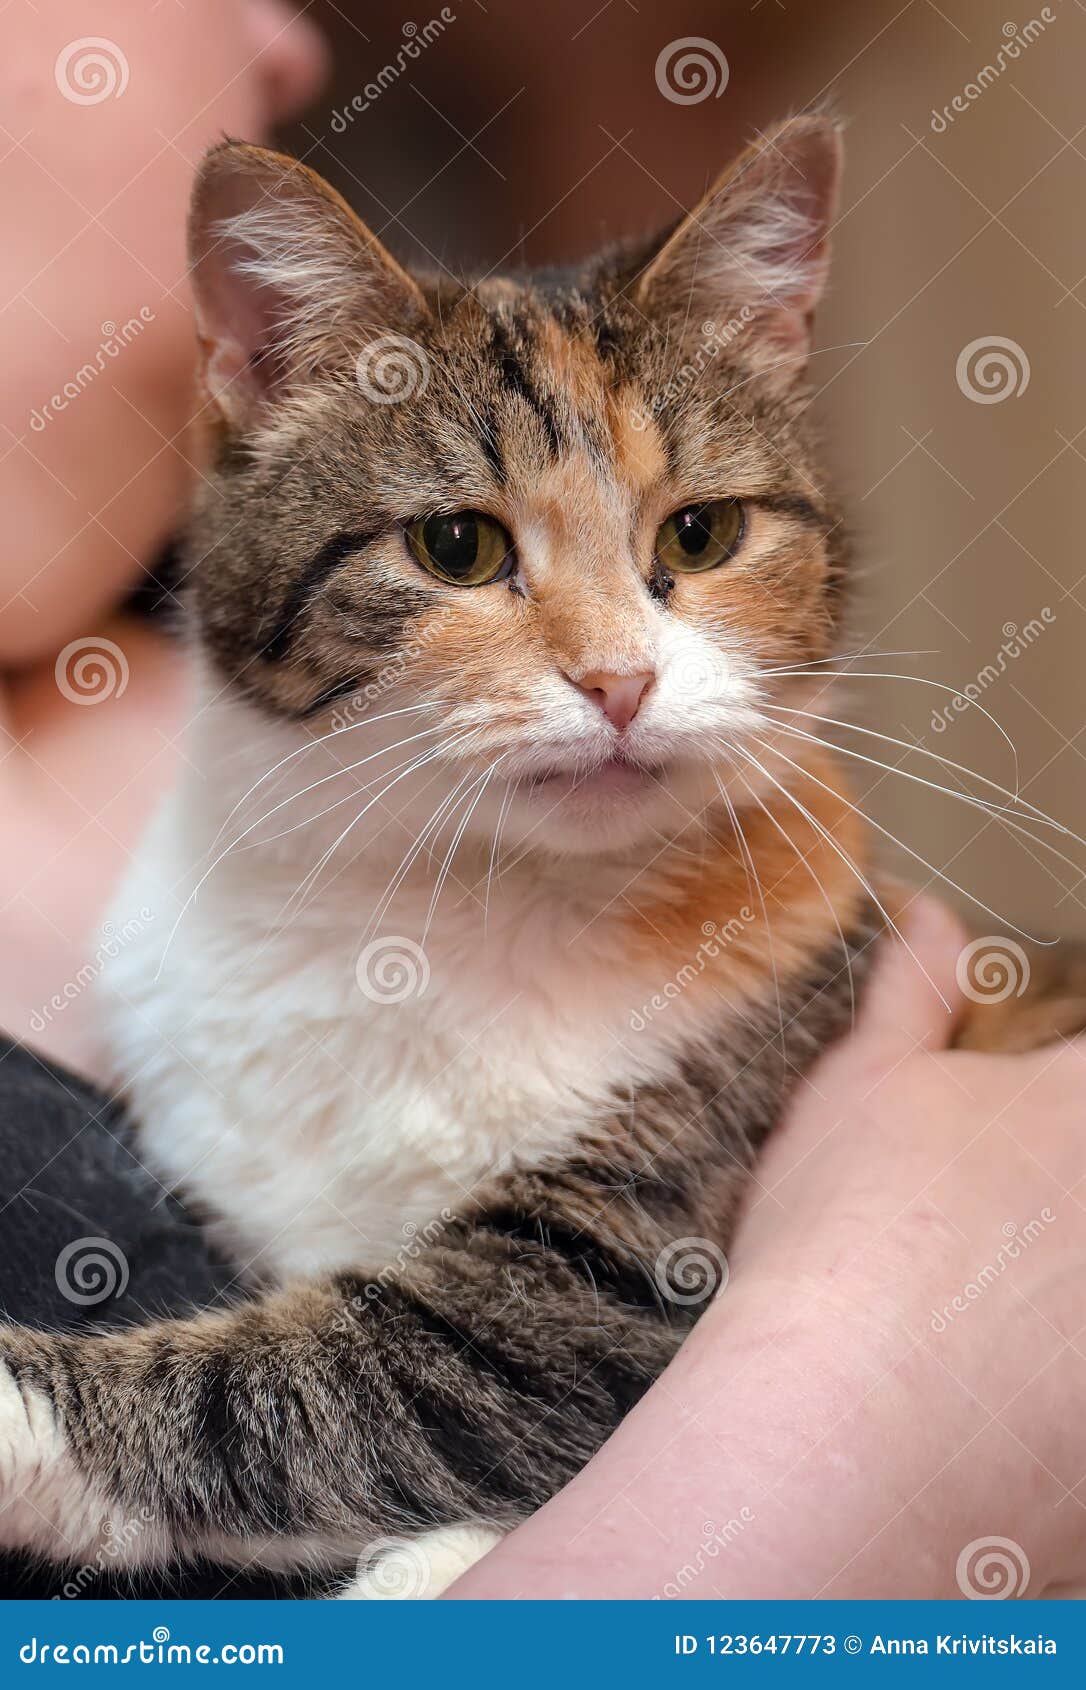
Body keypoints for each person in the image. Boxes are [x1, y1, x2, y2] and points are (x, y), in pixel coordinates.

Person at [1, 0, 1082, 1603]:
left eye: (696, 538)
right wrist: (868, 1367)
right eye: (464, 548)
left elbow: (558, 1349)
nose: (615, 668)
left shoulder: (785, 918)